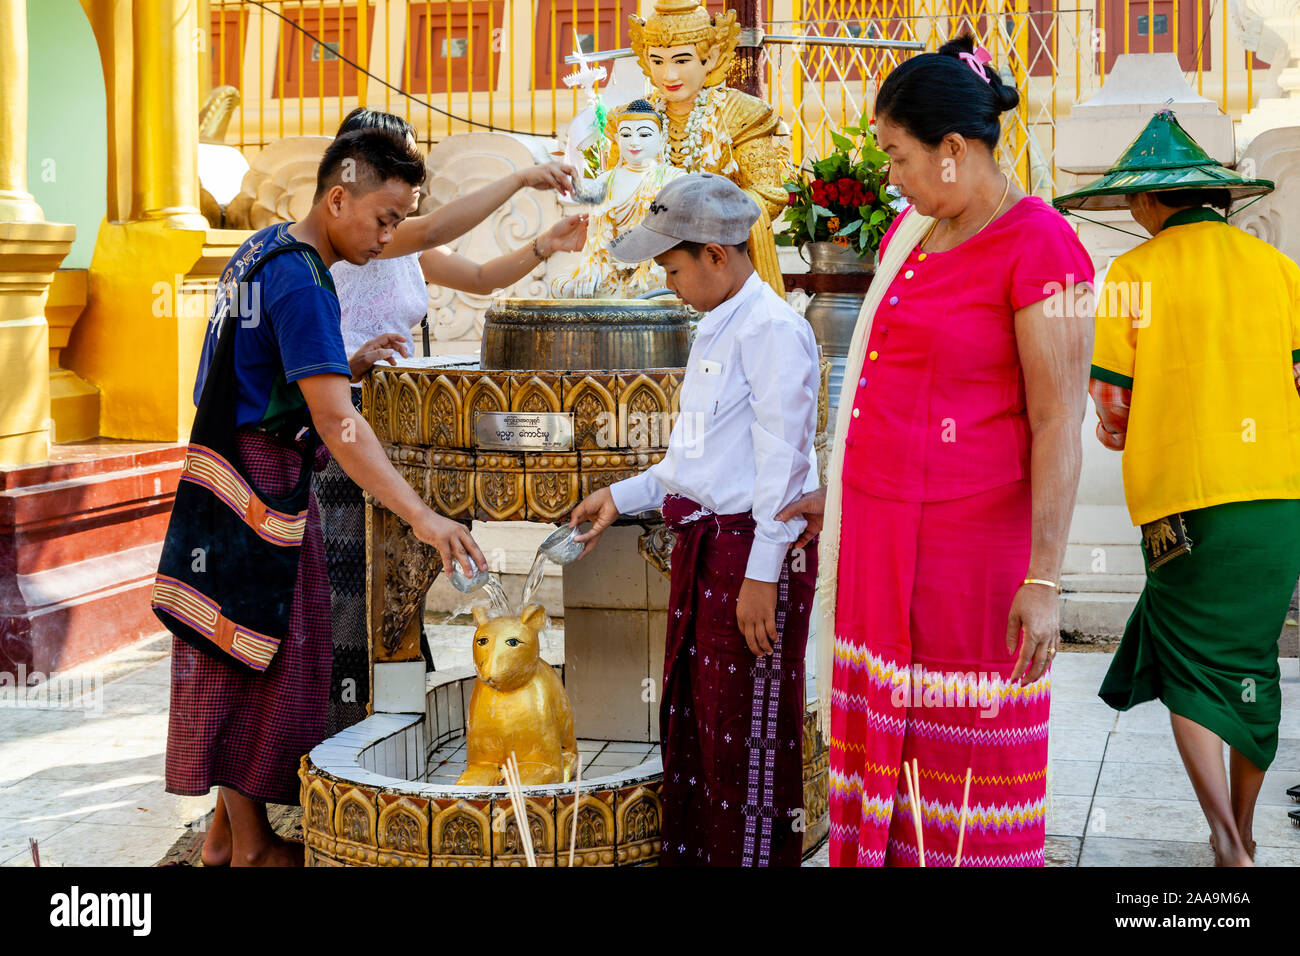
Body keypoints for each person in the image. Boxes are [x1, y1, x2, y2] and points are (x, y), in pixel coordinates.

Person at [778, 35, 1095, 866]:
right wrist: (838, 493)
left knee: (960, 771)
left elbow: (1060, 420)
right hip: (881, 547)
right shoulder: (906, 241)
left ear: (954, 151)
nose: (890, 178)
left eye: (898, 156)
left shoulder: (1042, 246)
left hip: (974, 560)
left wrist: (1046, 578)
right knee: (880, 755)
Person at [164, 127, 487, 867]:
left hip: (222, 477)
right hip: (259, 491)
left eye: (400, 220)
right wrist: (424, 515)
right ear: (338, 196)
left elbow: (257, 370)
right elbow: (339, 425)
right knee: (270, 662)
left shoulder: (263, 247)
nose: (390, 237)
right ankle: (249, 848)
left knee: (241, 653)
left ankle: (226, 840)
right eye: (383, 218)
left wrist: (344, 362)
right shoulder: (306, 282)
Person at [1054, 109, 1298, 867]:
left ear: (1158, 202)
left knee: (1194, 664)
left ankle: (1225, 837)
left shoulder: (1133, 274)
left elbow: (1114, 409)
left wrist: (1117, 431)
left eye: (1135, 199)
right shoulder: (1281, 271)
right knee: (1252, 660)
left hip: (1184, 503)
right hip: (1278, 498)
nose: (1131, 210)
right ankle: (1249, 831)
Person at [568, 173, 821, 867]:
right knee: (698, 731)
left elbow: (783, 465)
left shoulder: (772, 330)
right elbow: (699, 462)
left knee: (749, 740)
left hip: (753, 555)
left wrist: (762, 577)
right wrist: (621, 495)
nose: (669, 283)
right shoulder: (716, 323)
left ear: (717, 254)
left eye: (674, 268)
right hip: (711, 546)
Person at [316, 107, 587, 734]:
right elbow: (437, 223)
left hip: (404, 422)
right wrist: (522, 178)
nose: (409, 179)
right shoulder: (364, 239)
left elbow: (482, 277)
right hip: (349, 421)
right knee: (352, 581)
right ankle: (341, 729)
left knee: (401, 573)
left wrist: (548, 243)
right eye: (396, 164)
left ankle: (397, 709)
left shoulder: (400, 241)